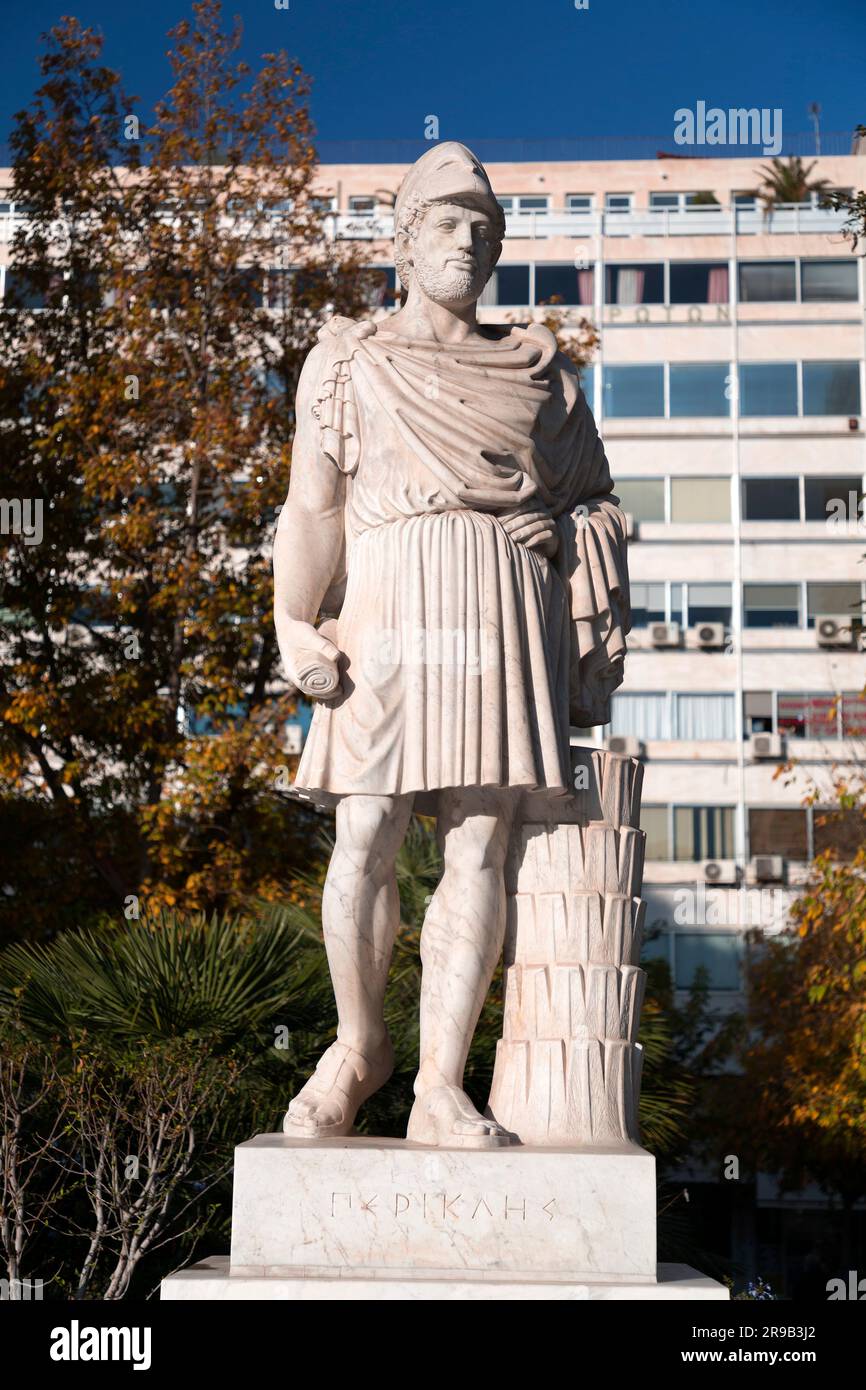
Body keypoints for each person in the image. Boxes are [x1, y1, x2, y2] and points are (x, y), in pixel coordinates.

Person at [273, 142, 630, 1146]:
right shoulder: (347, 358)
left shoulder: (537, 372)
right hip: (387, 598)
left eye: (484, 227)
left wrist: (563, 535)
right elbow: (314, 508)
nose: (468, 238)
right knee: (367, 827)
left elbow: (596, 500)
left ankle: (438, 1083)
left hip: (501, 606)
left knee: (477, 836)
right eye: (445, 221)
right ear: (400, 241)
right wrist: (292, 619)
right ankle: (355, 1046)